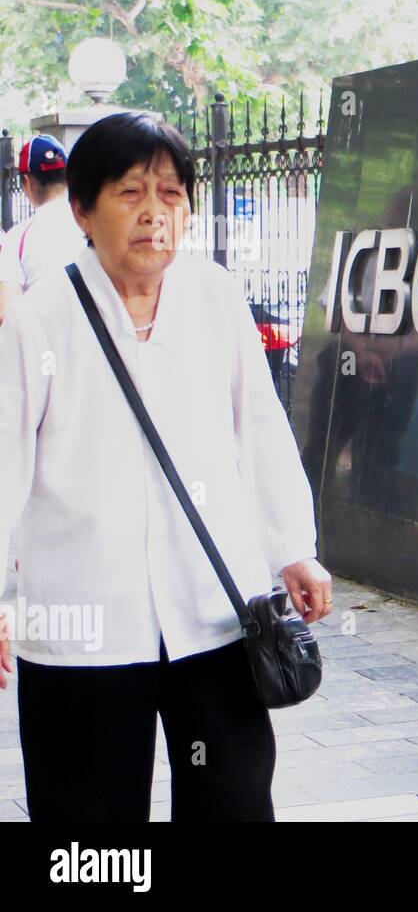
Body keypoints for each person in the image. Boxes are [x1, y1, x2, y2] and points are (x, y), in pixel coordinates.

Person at [0, 111, 332, 822]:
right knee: (87, 823)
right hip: (84, 621)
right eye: (130, 193)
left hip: (212, 611)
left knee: (233, 799)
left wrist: (292, 549)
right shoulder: (42, 319)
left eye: (172, 194)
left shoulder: (214, 298)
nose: (155, 214)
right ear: (83, 209)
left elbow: (260, 427)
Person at [0, 133, 86, 325]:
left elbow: (6, 313)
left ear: (27, 183)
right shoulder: (92, 223)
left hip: (46, 346)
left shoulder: (18, 238)